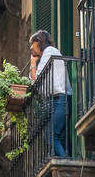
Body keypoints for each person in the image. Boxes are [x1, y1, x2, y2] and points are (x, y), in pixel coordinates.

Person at [29, 29, 70, 159]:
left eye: (32, 43)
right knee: (57, 135)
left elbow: (36, 79)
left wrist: (33, 63)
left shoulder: (49, 51)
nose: (31, 47)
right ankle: (64, 159)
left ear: (39, 42)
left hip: (60, 99)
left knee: (52, 135)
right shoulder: (47, 55)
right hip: (54, 100)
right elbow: (35, 82)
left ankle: (65, 162)